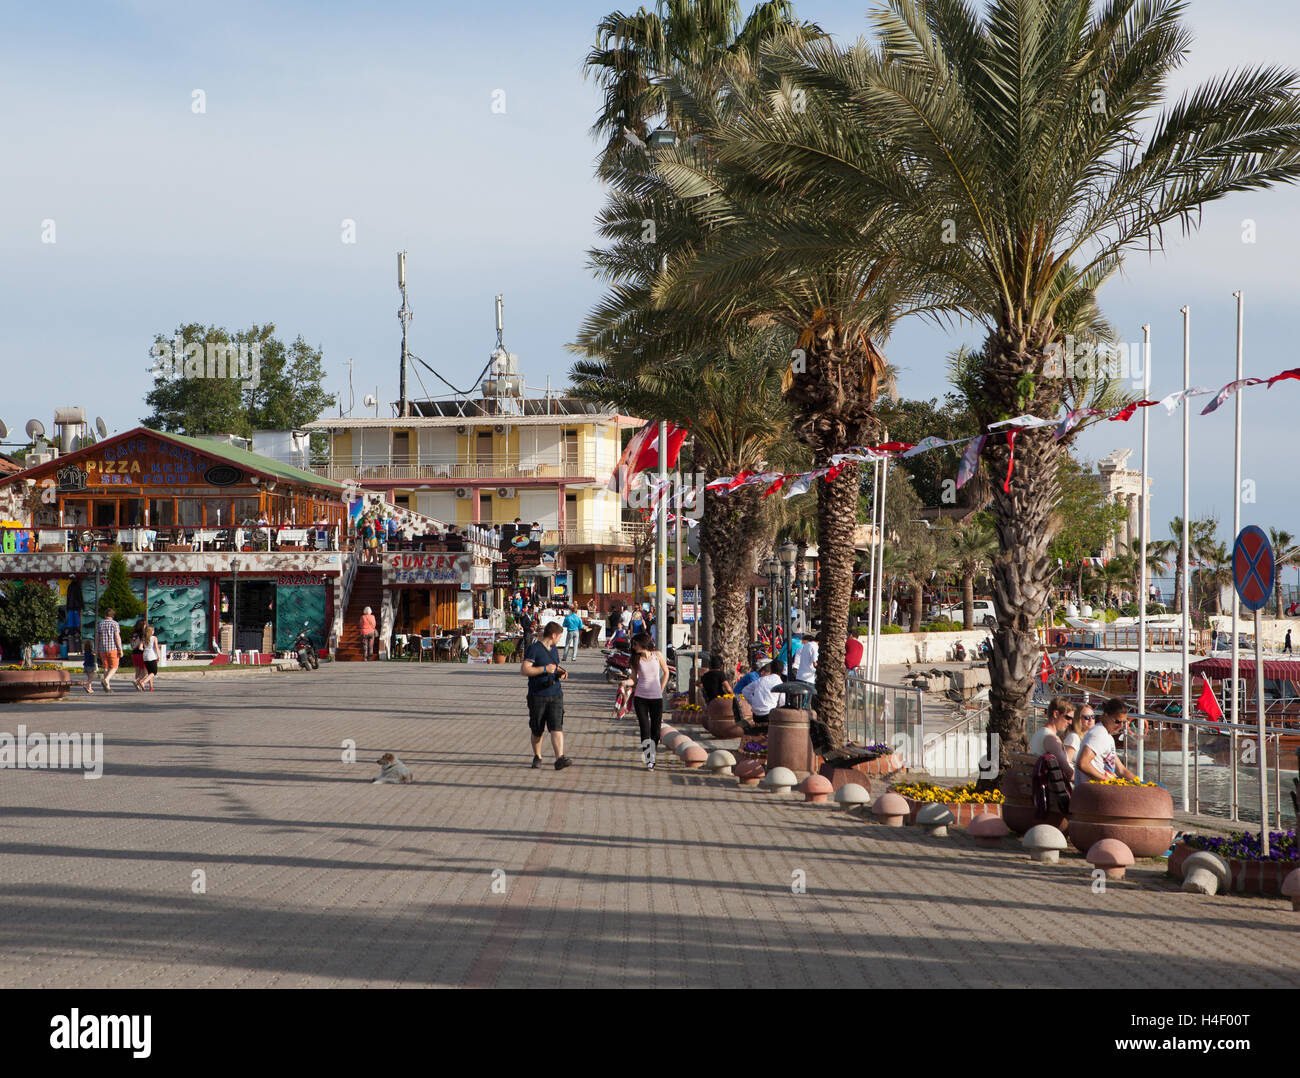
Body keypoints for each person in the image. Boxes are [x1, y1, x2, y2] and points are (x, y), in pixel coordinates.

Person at [520, 621, 572, 770]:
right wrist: (544, 669)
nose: (560, 639)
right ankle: (537, 756)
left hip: (555, 693)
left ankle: (559, 758)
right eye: (559, 636)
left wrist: (561, 671)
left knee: (557, 727)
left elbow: (554, 666)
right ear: (553, 635)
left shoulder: (554, 649)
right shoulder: (534, 649)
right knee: (537, 730)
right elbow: (524, 670)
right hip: (538, 695)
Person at [623, 631, 670, 769]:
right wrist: (625, 683)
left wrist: (661, 688)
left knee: (655, 730)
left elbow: (666, 671)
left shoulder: (657, 655)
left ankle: (652, 752)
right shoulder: (635, 659)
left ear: (642, 643)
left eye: (635, 644)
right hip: (640, 698)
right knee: (645, 729)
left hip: (656, 698)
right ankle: (649, 758)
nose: (633, 647)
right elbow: (634, 679)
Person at [1074, 697, 1137, 787]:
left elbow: (1121, 770)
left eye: (1124, 722)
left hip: (1102, 789)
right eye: (1117, 721)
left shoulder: (1107, 736)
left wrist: (1140, 784)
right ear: (1106, 716)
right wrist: (1106, 779)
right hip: (1092, 792)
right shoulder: (1098, 734)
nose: (1121, 726)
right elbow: (1083, 764)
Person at [1028, 696, 1075, 783]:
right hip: (1053, 792)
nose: (1070, 722)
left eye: (1072, 719)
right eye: (1068, 718)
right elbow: (1068, 773)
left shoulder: (1039, 733)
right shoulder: (1051, 739)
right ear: (1056, 714)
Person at [95, 607, 123, 693]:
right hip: (113, 648)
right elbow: (117, 637)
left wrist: (96, 649)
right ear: (113, 615)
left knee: (106, 668)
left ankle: (108, 687)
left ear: (105, 615)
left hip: (102, 649)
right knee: (114, 667)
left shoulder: (100, 624)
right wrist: (120, 649)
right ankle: (106, 680)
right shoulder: (115, 624)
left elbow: (97, 637)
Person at [140, 625, 160, 691]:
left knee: (149, 672)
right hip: (151, 655)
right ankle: (143, 682)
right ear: (151, 631)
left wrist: (145, 649)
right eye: (153, 630)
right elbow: (156, 648)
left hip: (145, 656)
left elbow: (140, 647)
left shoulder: (143, 638)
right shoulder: (154, 638)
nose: (154, 631)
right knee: (154, 672)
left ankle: (151, 687)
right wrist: (158, 656)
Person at [129, 622, 146, 690]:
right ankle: (137, 682)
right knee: (145, 671)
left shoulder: (133, 634)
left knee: (137, 670)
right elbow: (141, 645)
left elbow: (131, 645)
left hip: (134, 653)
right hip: (141, 653)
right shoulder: (142, 634)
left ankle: (138, 685)